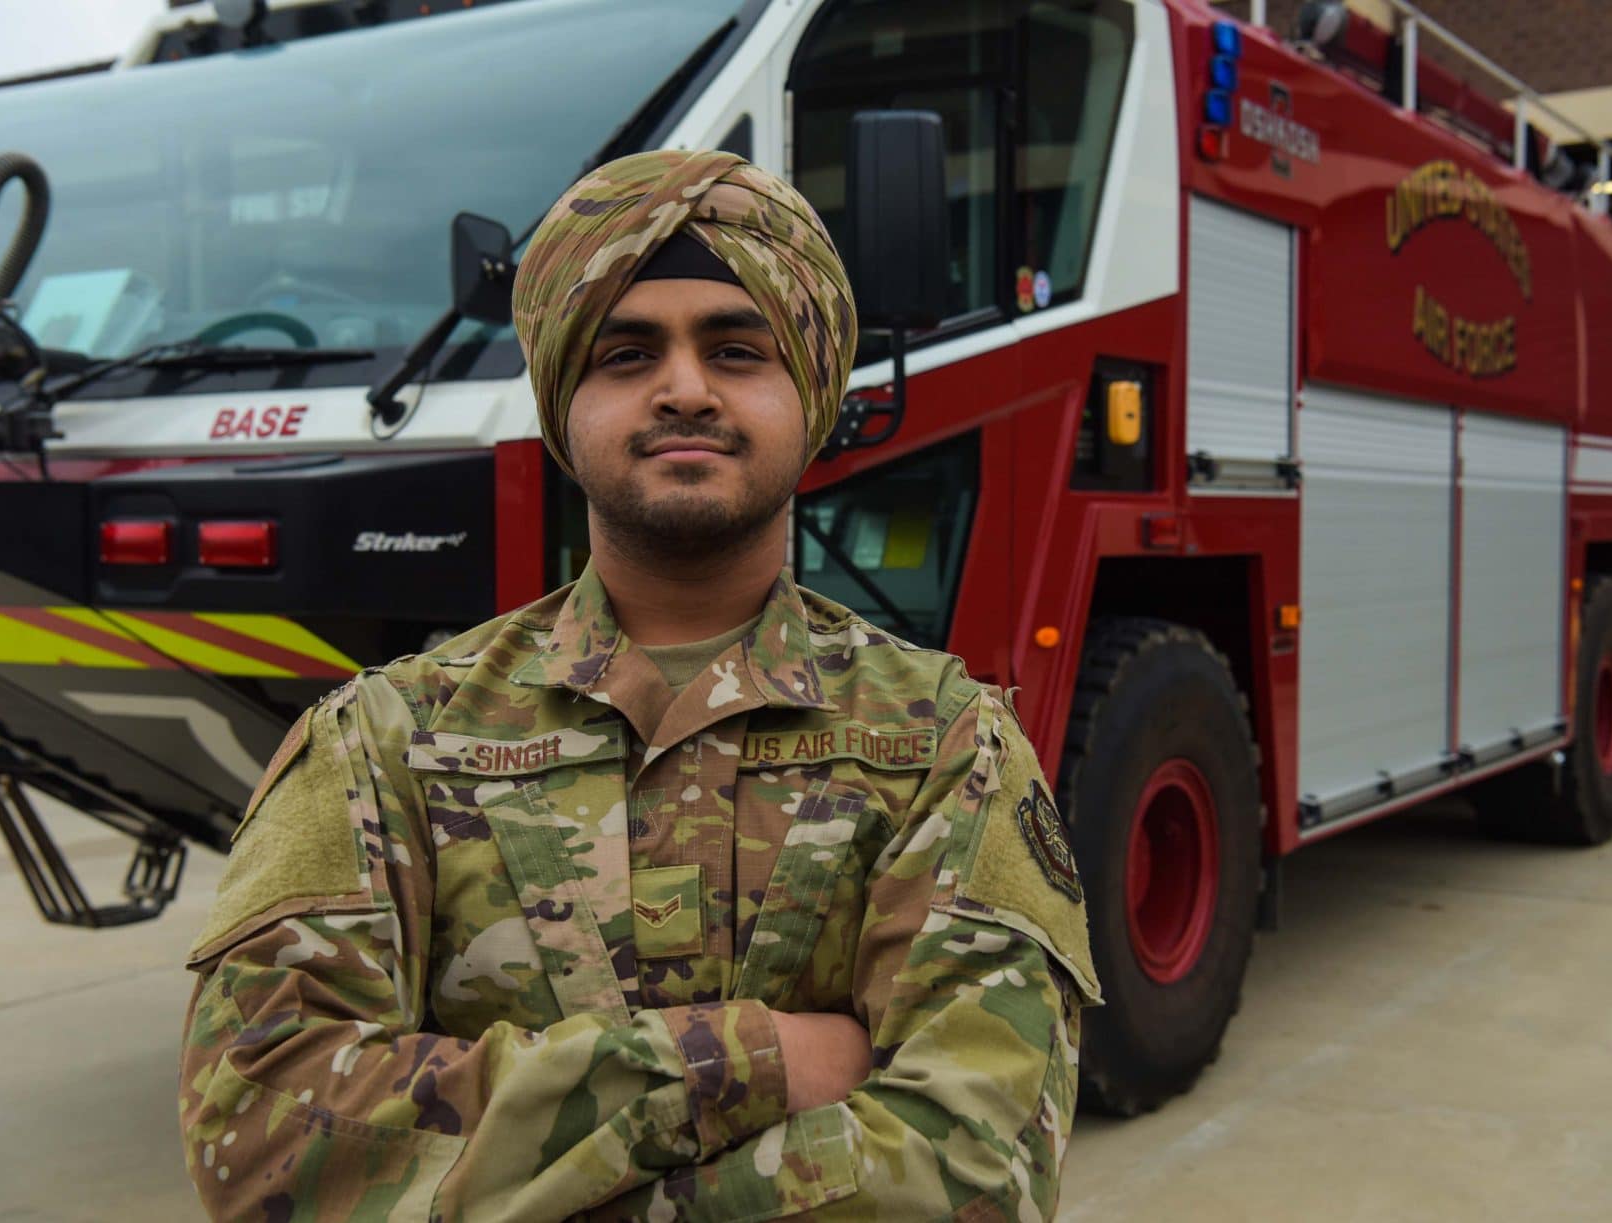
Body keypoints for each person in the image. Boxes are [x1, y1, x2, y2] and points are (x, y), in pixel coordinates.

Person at [177, 148, 1100, 1221]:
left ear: (807, 391)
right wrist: (752, 1059)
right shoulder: (385, 739)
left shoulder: (942, 741)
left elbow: (973, 1168)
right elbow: (266, 1137)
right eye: (625, 353)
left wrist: (526, 1173)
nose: (684, 388)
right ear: (562, 404)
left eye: (735, 348)